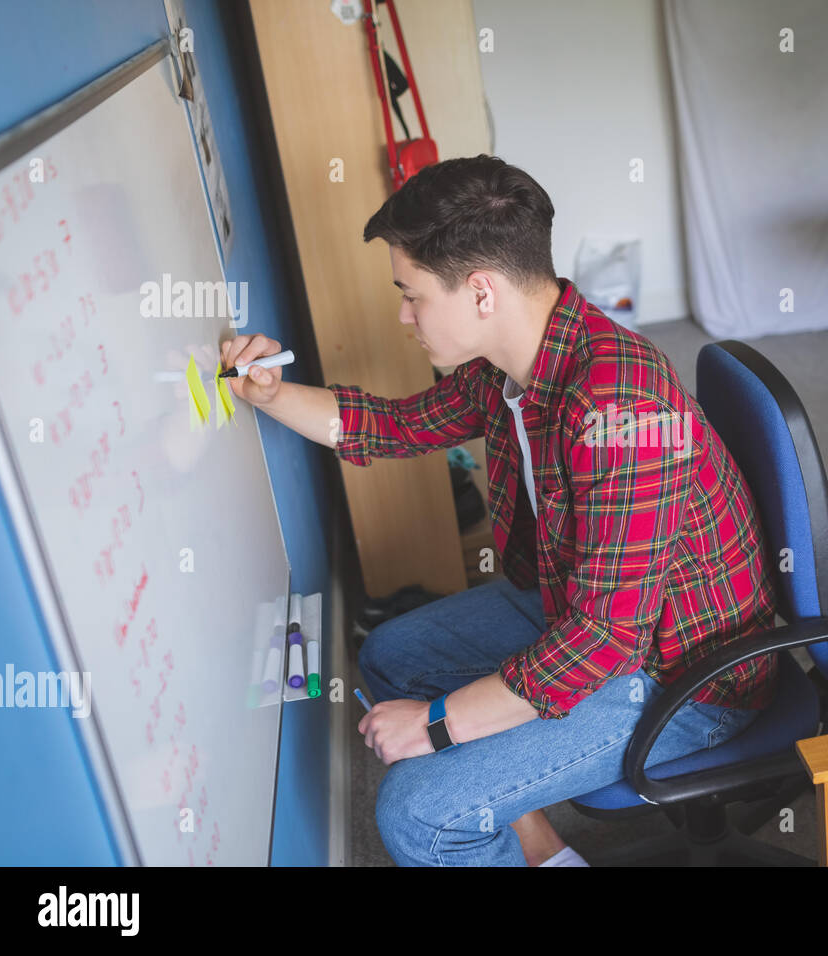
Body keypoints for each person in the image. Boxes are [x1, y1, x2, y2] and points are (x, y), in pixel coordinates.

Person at [221, 154, 779, 866]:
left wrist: (439, 726)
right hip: (587, 608)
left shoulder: (619, 406)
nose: (403, 314)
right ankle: (546, 851)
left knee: (419, 815)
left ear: (480, 292)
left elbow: (605, 643)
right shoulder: (509, 364)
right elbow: (391, 426)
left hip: (684, 677)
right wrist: (269, 394)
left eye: (412, 294)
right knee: (392, 656)